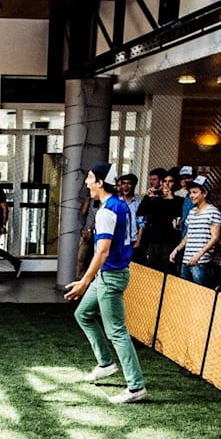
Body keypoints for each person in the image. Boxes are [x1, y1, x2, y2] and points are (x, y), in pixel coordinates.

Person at [64, 162, 145, 404]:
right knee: (84, 314)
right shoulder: (117, 205)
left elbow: (102, 252)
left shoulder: (107, 211)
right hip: (108, 275)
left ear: (100, 183)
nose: (87, 182)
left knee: (117, 331)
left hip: (110, 276)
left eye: (89, 177)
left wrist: (83, 282)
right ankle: (106, 363)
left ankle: (136, 387)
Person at [169, 176, 221, 287]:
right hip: (187, 259)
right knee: (184, 289)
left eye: (195, 192)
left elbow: (215, 237)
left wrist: (199, 254)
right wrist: (176, 250)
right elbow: (189, 235)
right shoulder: (192, 212)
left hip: (201, 262)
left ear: (204, 193)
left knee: (201, 292)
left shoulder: (213, 211)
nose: (192, 195)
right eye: (190, 192)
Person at [133, 167, 176, 272]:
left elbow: (173, 212)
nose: (151, 182)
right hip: (153, 240)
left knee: (166, 269)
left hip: (168, 241)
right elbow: (140, 212)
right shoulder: (152, 198)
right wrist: (148, 198)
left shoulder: (177, 199)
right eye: (150, 179)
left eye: (154, 179)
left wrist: (167, 196)